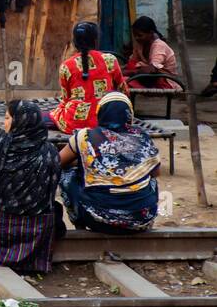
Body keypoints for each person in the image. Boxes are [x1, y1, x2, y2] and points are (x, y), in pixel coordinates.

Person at [0, 99, 63, 274]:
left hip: (0, 225)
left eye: (8, 117)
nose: (5, 122)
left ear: (19, 121)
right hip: (37, 230)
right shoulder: (50, 151)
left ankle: (1, 252)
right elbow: (49, 195)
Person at [59, 91, 159, 233]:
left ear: (100, 113)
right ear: (129, 114)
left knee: (67, 175)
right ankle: (144, 217)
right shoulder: (143, 137)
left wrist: (86, 163)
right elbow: (156, 172)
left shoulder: (85, 136)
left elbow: (57, 162)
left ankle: (79, 225)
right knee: (150, 178)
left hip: (97, 219)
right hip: (140, 220)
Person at [50, 22, 126, 133]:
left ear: (75, 42)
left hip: (74, 125)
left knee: (51, 114)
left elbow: (66, 100)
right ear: (95, 40)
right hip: (105, 120)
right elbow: (123, 90)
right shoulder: (110, 60)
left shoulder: (66, 66)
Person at [124, 16, 181, 90]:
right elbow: (132, 62)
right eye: (134, 35)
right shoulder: (140, 44)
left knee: (126, 80)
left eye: (140, 35)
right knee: (131, 65)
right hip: (147, 77)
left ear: (151, 33)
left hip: (164, 80)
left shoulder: (159, 46)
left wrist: (129, 73)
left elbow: (151, 70)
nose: (136, 38)